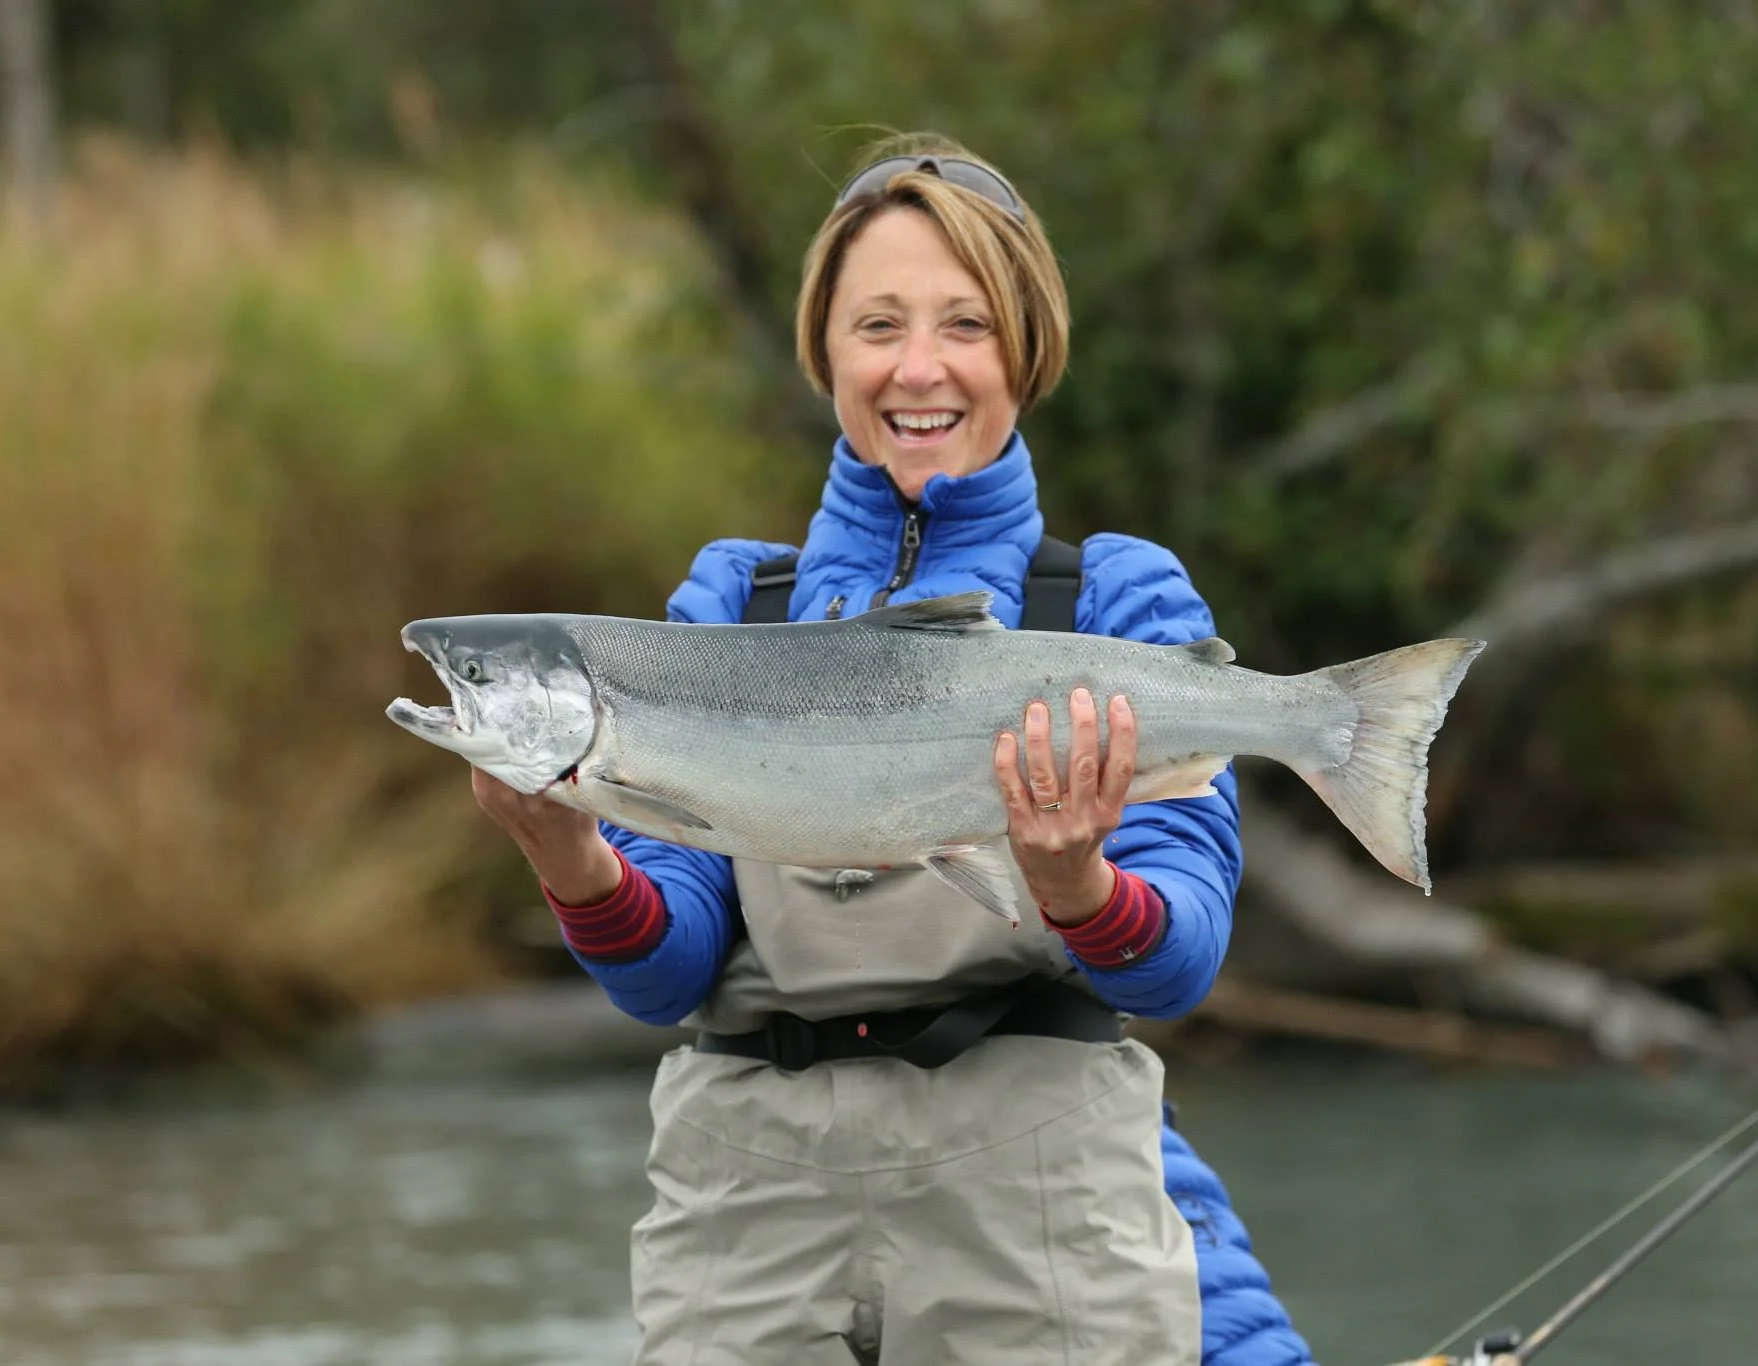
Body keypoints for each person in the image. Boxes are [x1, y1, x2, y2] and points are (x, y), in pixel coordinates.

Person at [472, 133, 1314, 1366]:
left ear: (1026, 351)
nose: (919, 369)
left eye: (964, 324)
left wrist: (1076, 882)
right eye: (877, 325)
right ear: (823, 351)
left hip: (1031, 1190)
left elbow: (1175, 966)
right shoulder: (728, 606)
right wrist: (573, 863)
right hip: (751, 1209)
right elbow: (669, 977)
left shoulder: (1115, 600)